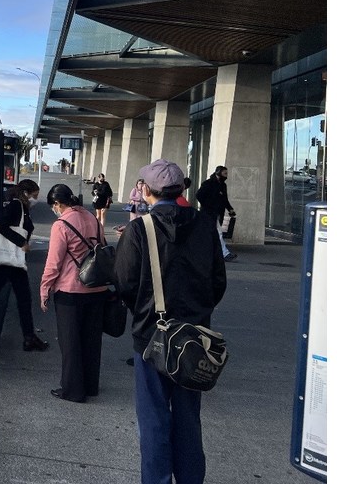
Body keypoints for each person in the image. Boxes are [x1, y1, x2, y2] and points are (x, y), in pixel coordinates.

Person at [114, 159, 227, 484]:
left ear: (147, 192)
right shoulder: (206, 226)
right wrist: (197, 313)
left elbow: (124, 282)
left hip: (151, 337)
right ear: (181, 190)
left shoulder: (139, 229)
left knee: (153, 421)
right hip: (195, 338)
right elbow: (218, 282)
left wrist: (147, 312)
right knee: (189, 419)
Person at [39, 183, 110, 403]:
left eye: (54, 206)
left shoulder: (61, 225)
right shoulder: (92, 219)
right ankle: (90, 386)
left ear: (58, 204)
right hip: (97, 288)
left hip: (71, 290)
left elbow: (54, 262)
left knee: (70, 343)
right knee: (91, 341)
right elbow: (103, 247)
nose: (54, 210)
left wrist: (45, 289)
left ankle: (72, 390)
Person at [0, 179, 50, 352]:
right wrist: (21, 242)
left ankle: (29, 337)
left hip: (11, 261)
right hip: (11, 260)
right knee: (20, 298)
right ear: (27, 193)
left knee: (0, 292)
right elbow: (2, 227)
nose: (36, 199)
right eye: (35, 195)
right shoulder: (16, 206)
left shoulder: (21, 207)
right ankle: (29, 338)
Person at [196, 165, 238, 261]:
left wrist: (230, 209)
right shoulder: (208, 184)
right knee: (218, 233)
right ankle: (224, 253)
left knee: (212, 234)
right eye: (225, 173)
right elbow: (199, 195)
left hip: (217, 213)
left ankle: (210, 253)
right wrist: (208, 205)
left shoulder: (223, 185)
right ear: (218, 173)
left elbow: (224, 199)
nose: (226, 175)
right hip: (209, 213)